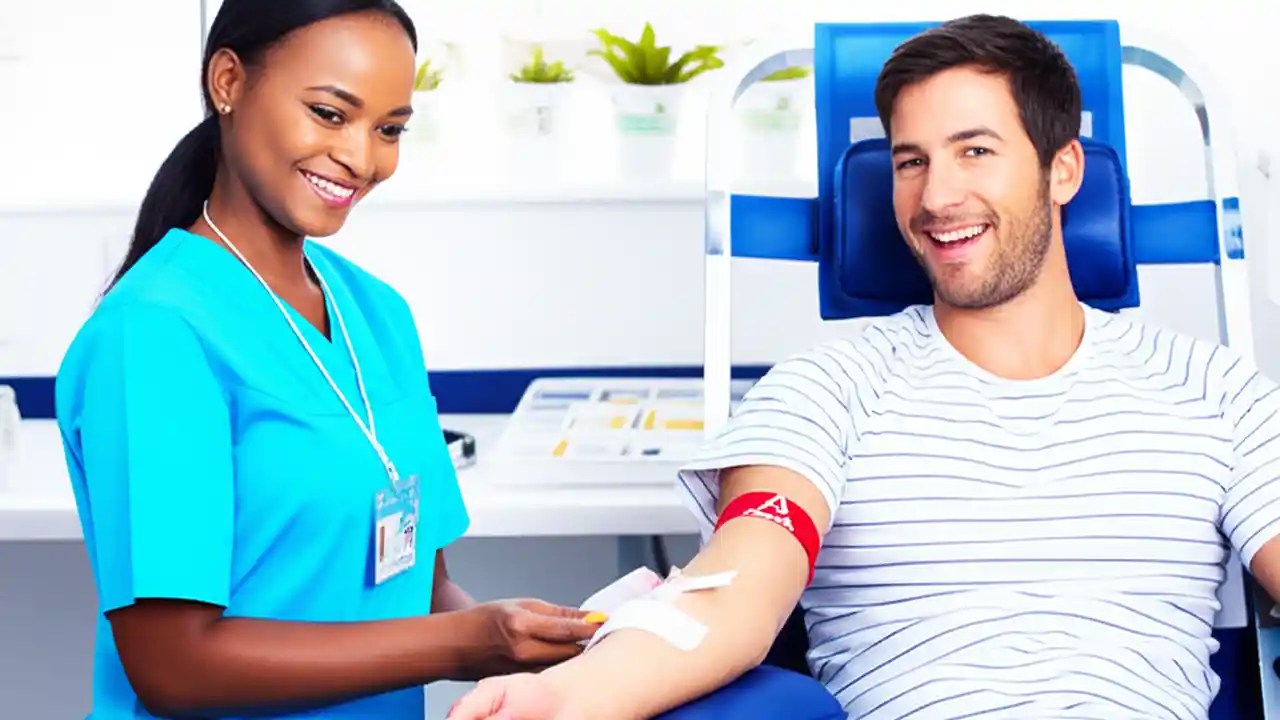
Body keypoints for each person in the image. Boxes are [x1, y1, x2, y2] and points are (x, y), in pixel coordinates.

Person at [446, 14, 1280, 720]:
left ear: (1064, 169)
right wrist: (568, 698)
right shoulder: (828, 391)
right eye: (911, 160)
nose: (936, 196)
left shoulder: (1214, 391)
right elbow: (730, 596)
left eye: (975, 151)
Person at [54, 2, 599, 718]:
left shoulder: (377, 312)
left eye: (390, 129)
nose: (363, 159)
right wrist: (465, 644)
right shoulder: (155, 334)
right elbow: (173, 665)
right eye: (329, 113)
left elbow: (419, 588)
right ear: (227, 81)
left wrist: (530, 640)